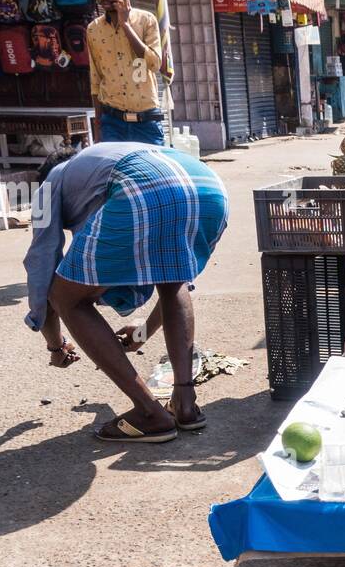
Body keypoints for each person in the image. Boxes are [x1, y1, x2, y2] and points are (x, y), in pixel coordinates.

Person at [23, 143, 228, 444]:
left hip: (145, 189)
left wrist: (55, 346)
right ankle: (185, 404)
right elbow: (175, 283)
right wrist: (143, 333)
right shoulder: (104, 159)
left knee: (68, 297)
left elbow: (42, 263)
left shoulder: (49, 184)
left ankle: (149, 413)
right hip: (210, 189)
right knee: (173, 280)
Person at [87, 0, 165, 144]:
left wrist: (125, 24)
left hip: (146, 122)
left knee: (152, 173)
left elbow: (154, 64)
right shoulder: (93, 30)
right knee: (113, 173)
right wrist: (98, 128)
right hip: (111, 123)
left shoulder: (146, 21)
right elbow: (96, 81)